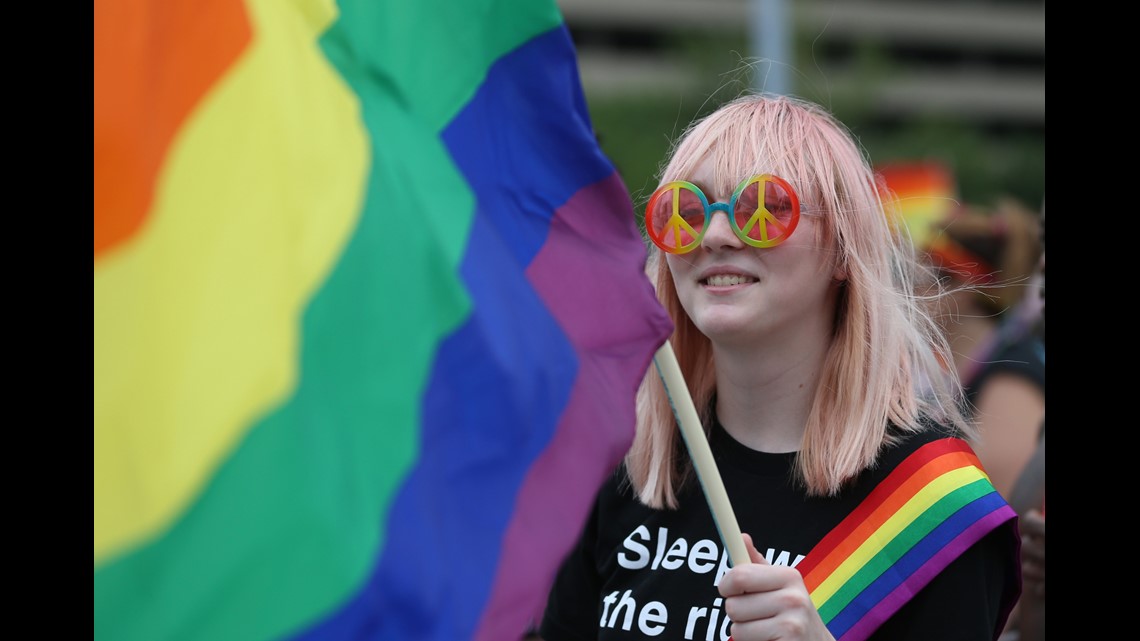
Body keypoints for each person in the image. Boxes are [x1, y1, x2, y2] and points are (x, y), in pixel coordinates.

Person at [537, 94, 1020, 641]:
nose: (715, 235)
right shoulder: (629, 466)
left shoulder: (934, 504)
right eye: (686, 212)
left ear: (843, 250)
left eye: (765, 207)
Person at [924, 199, 1045, 500]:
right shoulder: (950, 365)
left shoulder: (1012, 373)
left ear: (960, 286)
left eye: (920, 278)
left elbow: (1000, 504)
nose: (906, 292)